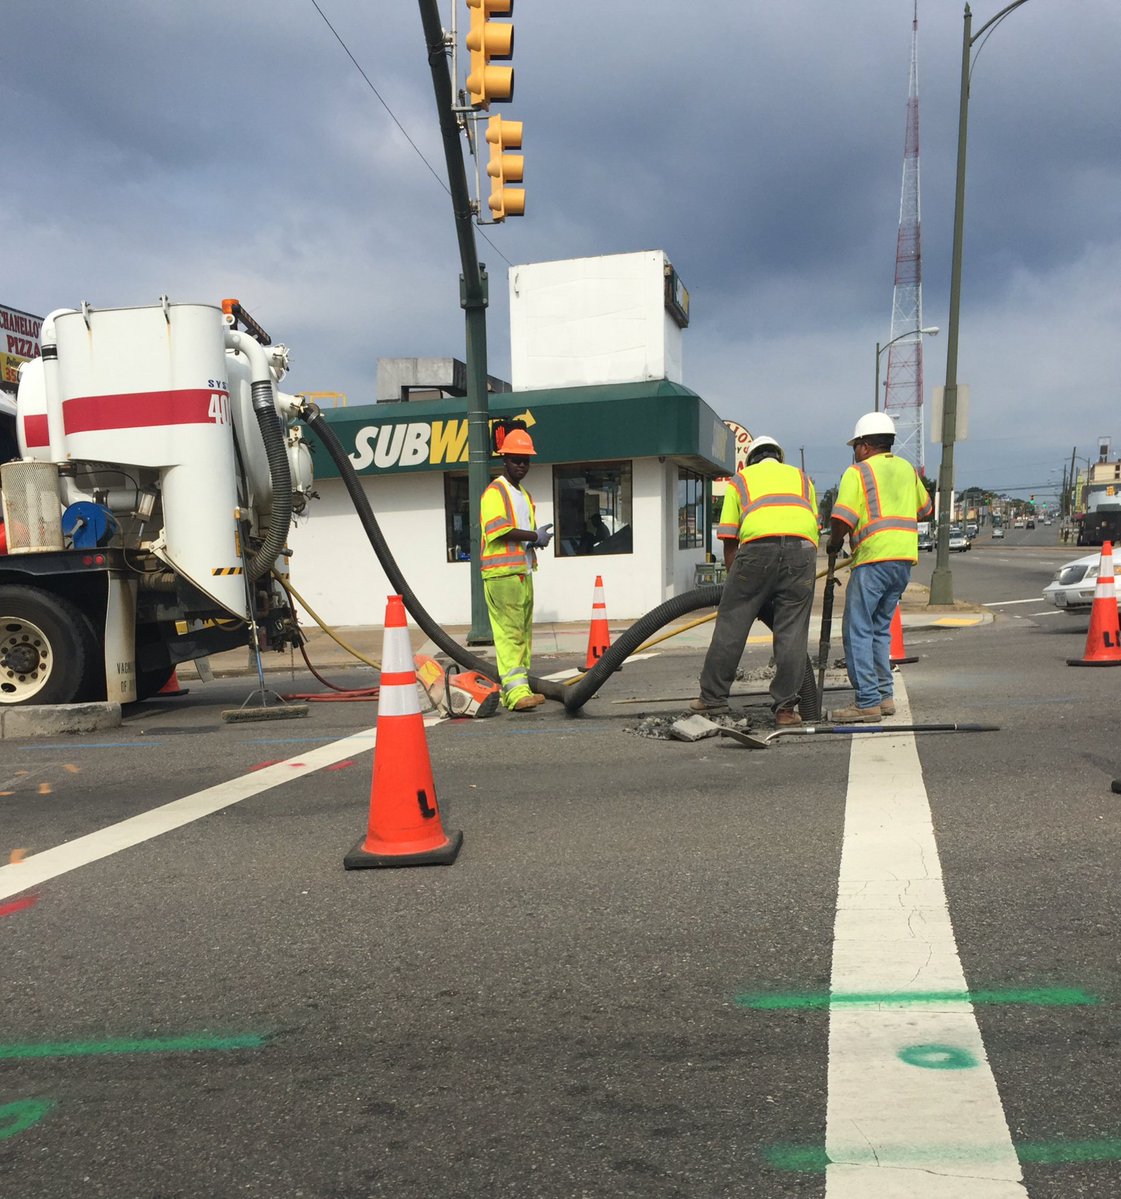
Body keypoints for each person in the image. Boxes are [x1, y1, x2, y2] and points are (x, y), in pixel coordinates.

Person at [691, 435, 819, 725]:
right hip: (803, 553)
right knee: (792, 631)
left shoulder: (741, 480)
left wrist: (739, 587)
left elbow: (728, 538)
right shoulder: (801, 478)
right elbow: (810, 524)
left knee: (732, 623)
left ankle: (712, 699)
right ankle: (786, 710)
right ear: (779, 457)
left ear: (751, 460)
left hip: (756, 550)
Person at [826, 411, 933, 722]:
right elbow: (926, 508)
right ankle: (885, 696)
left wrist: (833, 544)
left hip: (873, 558)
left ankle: (867, 701)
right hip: (903, 560)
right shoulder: (907, 470)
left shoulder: (858, 472)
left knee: (857, 629)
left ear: (863, 446)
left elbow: (842, 517)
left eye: (855, 446)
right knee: (879, 629)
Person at [479, 429, 553, 712]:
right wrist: (534, 537)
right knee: (510, 635)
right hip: (502, 576)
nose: (521, 465)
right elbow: (499, 530)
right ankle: (516, 694)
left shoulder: (524, 495)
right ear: (505, 460)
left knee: (522, 635)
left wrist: (534, 541)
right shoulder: (495, 491)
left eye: (525, 460)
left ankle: (520, 688)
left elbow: (520, 535)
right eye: (516, 460)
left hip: (521, 572)